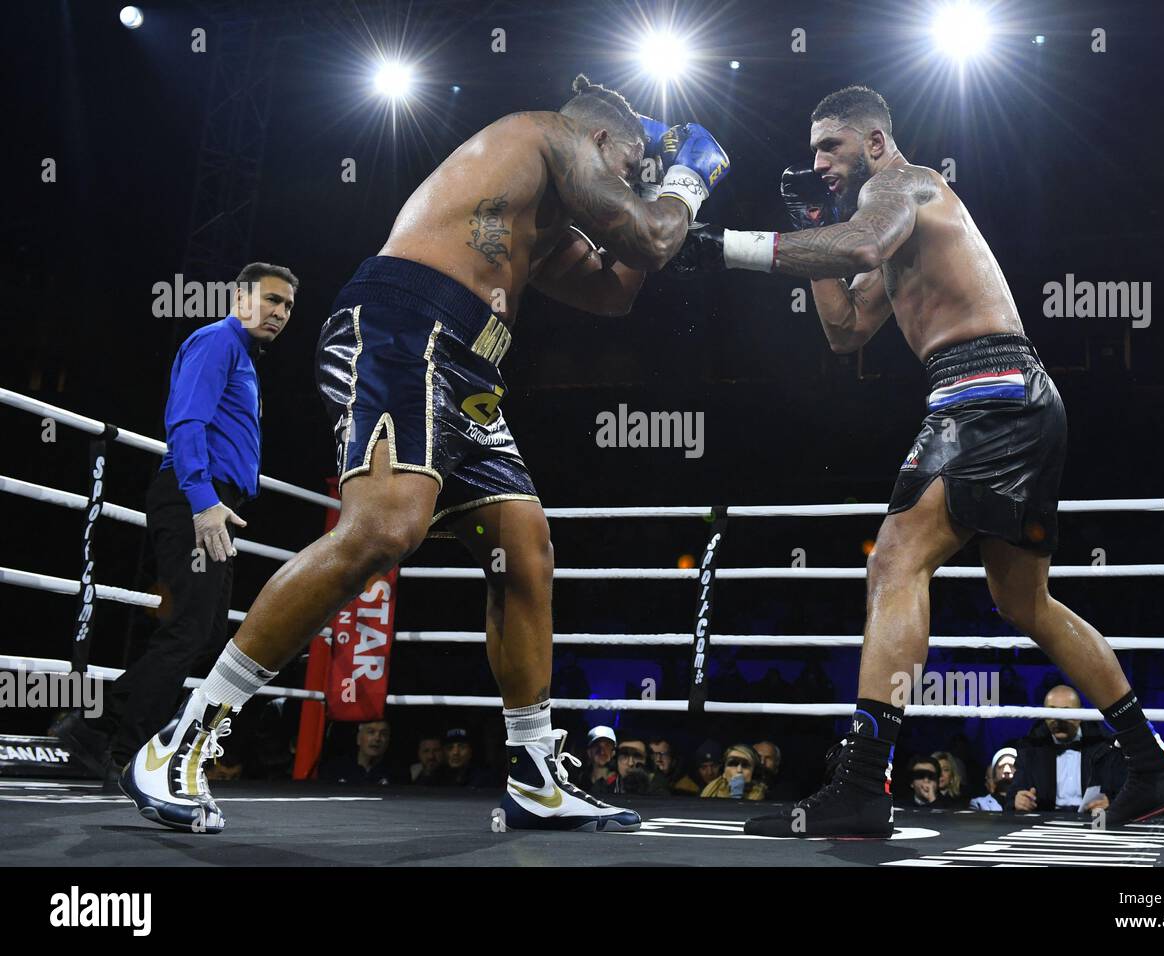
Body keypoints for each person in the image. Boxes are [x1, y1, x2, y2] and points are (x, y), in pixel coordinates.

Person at [120, 75, 731, 834]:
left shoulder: (541, 219)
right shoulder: (549, 131)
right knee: (382, 532)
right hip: (406, 328)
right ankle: (184, 736)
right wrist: (683, 185)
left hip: (471, 366)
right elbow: (649, 232)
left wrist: (666, 219)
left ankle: (536, 769)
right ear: (602, 140)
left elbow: (618, 290)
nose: (630, 182)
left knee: (525, 550)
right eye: (631, 165)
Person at [673, 85, 1164, 836]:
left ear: (876, 143)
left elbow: (859, 246)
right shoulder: (888, 223)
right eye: (813, 148)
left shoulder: (904, 186)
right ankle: (1153, 765)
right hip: (1018, 397)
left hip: (985, 393)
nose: (818, 160)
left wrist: (724, 246)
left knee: (893, 563)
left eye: (832, 146)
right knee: (1025, 603)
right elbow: (845, 330)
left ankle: (859, 784)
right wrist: (809, 227)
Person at [56, 263, 296, 789]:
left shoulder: (245, 359)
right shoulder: (217, 342)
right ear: (240, 298)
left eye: (287, 307)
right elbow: (186, 421)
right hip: (195, 494)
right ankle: (113, 740)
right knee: (190, 626)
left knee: (206, 631)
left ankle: (108, 731)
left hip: (212, 498)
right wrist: (203, 500)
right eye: (271, 300)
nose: (279, 313)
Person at [1005, 686, 1126, 814]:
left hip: (1093, 819)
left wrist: (1111, 802)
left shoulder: (1105, 745)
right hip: (1045, 819)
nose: (1058, 720)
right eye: (1052, 712)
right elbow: (1012, 796)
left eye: (1066, 712)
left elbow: (1125, 791)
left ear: (1081, 714)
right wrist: (1018, 801)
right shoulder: (1030, 747)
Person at [319, 719, 398, 786]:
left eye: (383, 734)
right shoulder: (335, 769)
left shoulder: (397, 774)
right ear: (359, 738)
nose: (377, 738)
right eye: (371, 732)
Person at [700, 744, 767, 800]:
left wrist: (736, 796)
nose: (739, 770)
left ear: (754, 771)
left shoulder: (766, 799)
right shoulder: (710, 792)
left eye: (745, 765)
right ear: (724, 772)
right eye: (733, 764)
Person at [970, 747, 1016, 811]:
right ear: (994, 774)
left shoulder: (1028, 802)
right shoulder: (979, 803)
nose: (1007, 770)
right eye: (1001, 767)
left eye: (1012, 766)